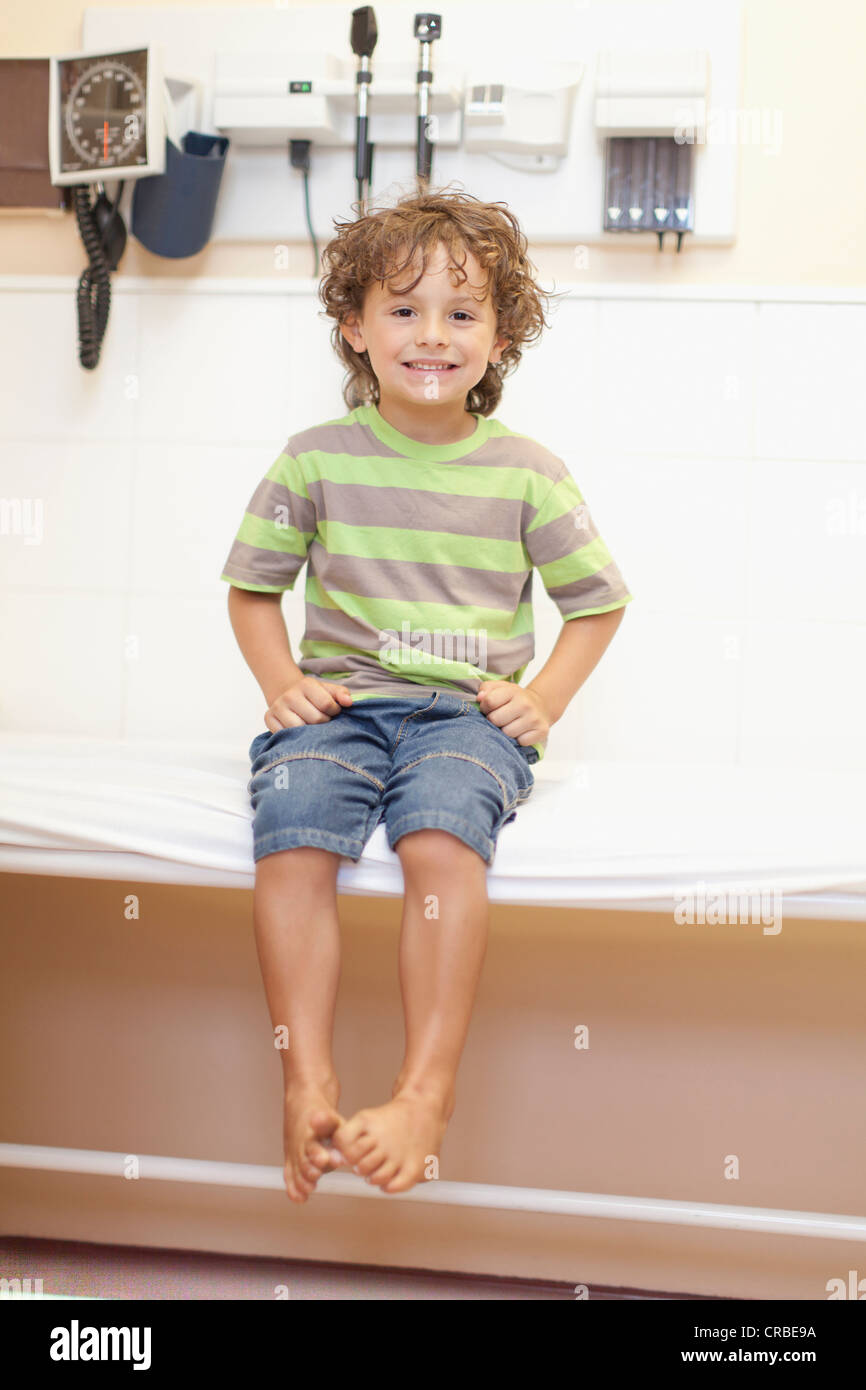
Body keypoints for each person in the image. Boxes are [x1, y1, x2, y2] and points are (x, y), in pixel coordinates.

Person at [221, 186, 633, 1203]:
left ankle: (423, 1091)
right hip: (343, 706)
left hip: (464, 711)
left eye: (462, 313)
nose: (431, 335)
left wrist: (543, 700)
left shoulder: (528, 475)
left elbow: (597, 605)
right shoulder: (311, 459)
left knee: (440, 835)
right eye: (402, 310)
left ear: (500, 339)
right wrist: (281, 682)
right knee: (293, 828)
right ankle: (304, 1079)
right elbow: (250, 589)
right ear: (353, 328)